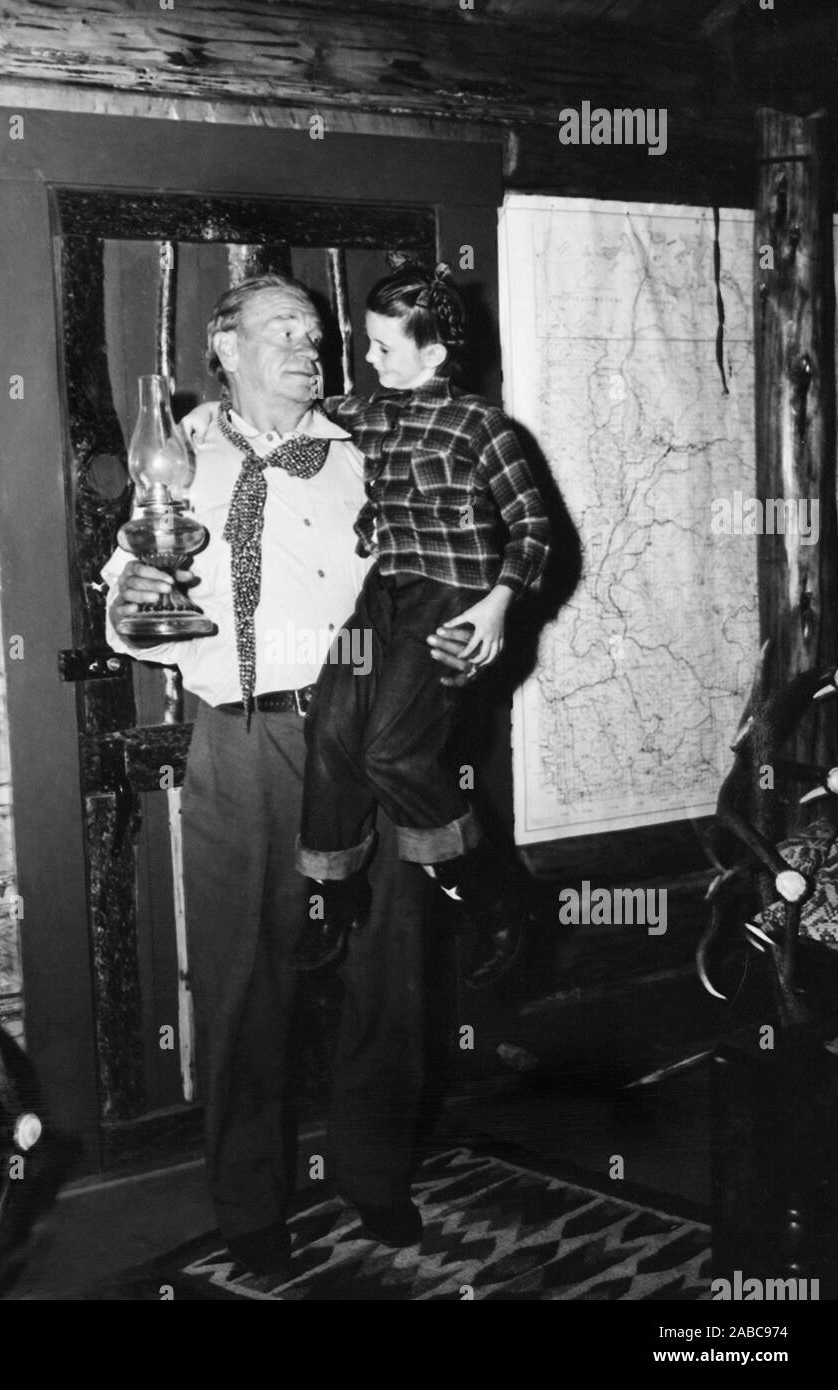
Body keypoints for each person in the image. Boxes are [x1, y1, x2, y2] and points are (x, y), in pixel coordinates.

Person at [103, 274, 478, 1285]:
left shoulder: (376, 447)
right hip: (245, 741)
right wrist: (138, 603)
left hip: (369, 736)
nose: (305, 345)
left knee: (388, 974)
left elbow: (453, 563)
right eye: (277, 330)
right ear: (221, 350)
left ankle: (374, 1172)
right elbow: (123, 613)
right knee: (243, 985)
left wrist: (469, 633)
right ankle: (248, 1202)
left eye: (314, 332)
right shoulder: (174, 458)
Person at [289, 263, 550, 981]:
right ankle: (332, 892)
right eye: (368, 345)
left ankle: (491, 891)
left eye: (383, 348)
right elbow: (290, 416)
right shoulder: (367, 413)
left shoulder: (482, 424)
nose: (369, 360)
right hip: (388, 591)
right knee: (332, 728)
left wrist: (498, 604)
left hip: (453, 597)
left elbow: (534, 527)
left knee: (393, 755)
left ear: (433, 354)